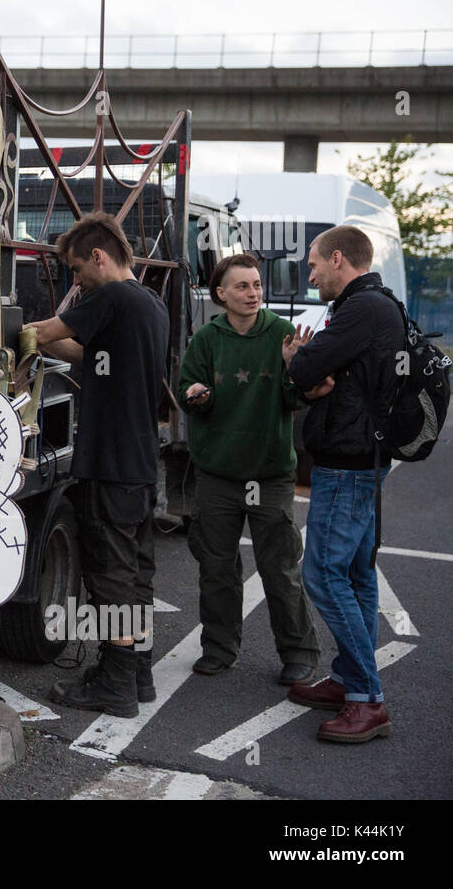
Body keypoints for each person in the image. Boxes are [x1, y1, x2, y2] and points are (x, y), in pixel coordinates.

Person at [25, 211, 168, 718]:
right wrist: (46, 335)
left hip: (110, 461)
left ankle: (114, 686)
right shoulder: (148, 304)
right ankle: (137, 673)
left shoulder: (110, 297)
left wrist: (22, 330)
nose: (77, 283)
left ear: (100, 258)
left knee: (110, 575)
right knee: (134, 573)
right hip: (139, 462)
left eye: (79, 272)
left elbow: (46, 334)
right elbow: (88, 353)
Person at [282, 225, 406, 744]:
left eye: (313, 265)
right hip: (360, 458)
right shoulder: (378, 305)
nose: (310, 276)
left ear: (338, 259)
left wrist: (296, 362)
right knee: (356, 575)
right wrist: (314, 381)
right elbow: (331, 382)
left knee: (323, 576)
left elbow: (307, 364)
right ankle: (350, 680)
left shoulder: (363, 307)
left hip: (348, 465)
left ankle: (367, 699)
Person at [176, 253, 323, 686]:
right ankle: (219, 649)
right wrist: (196, 394)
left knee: (280, 568)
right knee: (216, 569)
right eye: (242, 287)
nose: (253, 293)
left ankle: (299, 651)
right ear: (221, 294)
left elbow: (299, 400)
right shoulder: (207, 338)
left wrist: (295, 365)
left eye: (257, 285)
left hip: (270, 474)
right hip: (218, 475)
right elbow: (185, 391)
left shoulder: (282, 332)